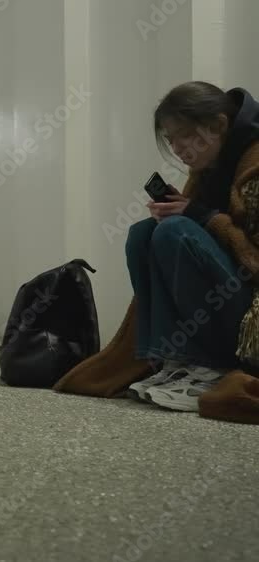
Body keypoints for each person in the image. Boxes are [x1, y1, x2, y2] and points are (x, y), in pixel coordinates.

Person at [126, 81, 259, 411]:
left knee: (175, 231)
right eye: (171, 139)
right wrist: (193, 210)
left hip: (252, 320)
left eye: (183, 134)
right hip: (232, 299)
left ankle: (208, 366)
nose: (178, 148)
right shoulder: (210, 166)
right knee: (143, 234)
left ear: (218, 125)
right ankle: (172, 361)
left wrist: (202, 215)